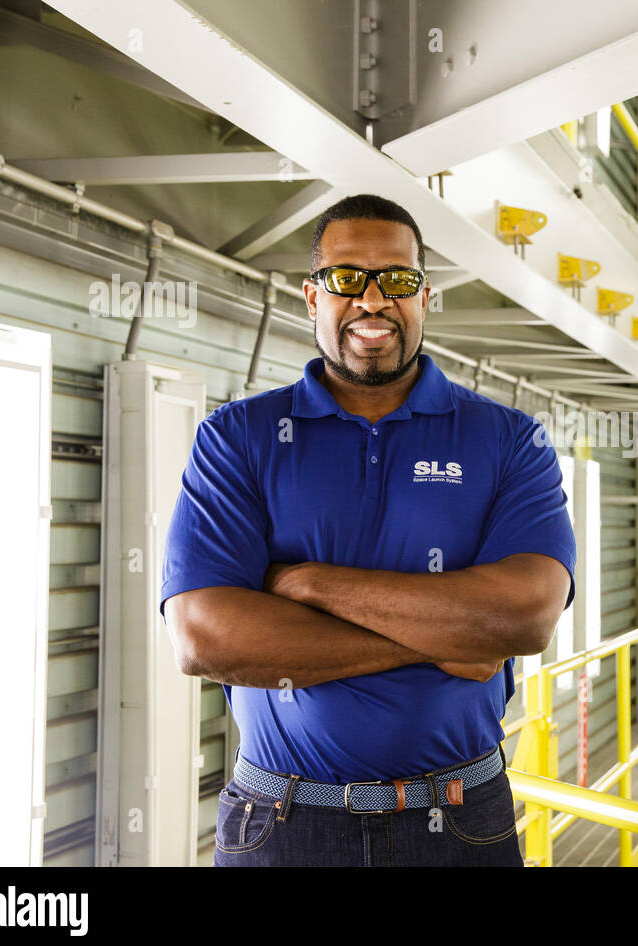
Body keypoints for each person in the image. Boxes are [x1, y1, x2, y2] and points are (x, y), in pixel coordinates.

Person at [160, 193, 575, 866]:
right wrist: (451, 636)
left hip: (460, 820)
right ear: (311, 296)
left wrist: (310, 585)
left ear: (425, 297)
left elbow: (524, 617)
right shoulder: (238, 438)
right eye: (347, 277)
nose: (373, 300)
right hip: (281, 822)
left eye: (398, 280)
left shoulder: (508, 440)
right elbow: (205, 637)